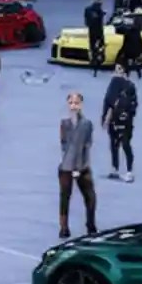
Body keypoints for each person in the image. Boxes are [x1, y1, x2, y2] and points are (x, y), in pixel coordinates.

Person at [58, 92, 97, 238]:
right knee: (65, 197)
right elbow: (64, 145)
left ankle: (91, 224)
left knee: (90, 196)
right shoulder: (65, 123)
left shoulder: (87, 124)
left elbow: (87, 145)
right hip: (67, 166)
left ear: (81, 105)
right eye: (71, 103)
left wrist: (80, 166)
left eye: (76, 103)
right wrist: (70, 166)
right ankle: (63, 226)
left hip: (82, 166)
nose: (73, 106)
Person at [102, 63, 138, 182]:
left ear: (124, 71)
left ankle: (129, 171)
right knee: (113, 144)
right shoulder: (112, 84)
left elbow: (133, 104)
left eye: (119, 69)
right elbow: (107, 101)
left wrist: (127, 114)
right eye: (115, 69)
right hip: (113, 119)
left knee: (125, 144)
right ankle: (115, 168)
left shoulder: (130, 86)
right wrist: (104, 117)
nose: (116, 72)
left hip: (125, 120)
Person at [84, 0, 106, 77]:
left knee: (94, 47)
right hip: (97, 32)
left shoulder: (88, 9)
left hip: (92, 32)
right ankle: (98, 62)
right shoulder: (98, 10)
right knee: (99, 47)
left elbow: (86, 22)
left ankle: (94, 62)